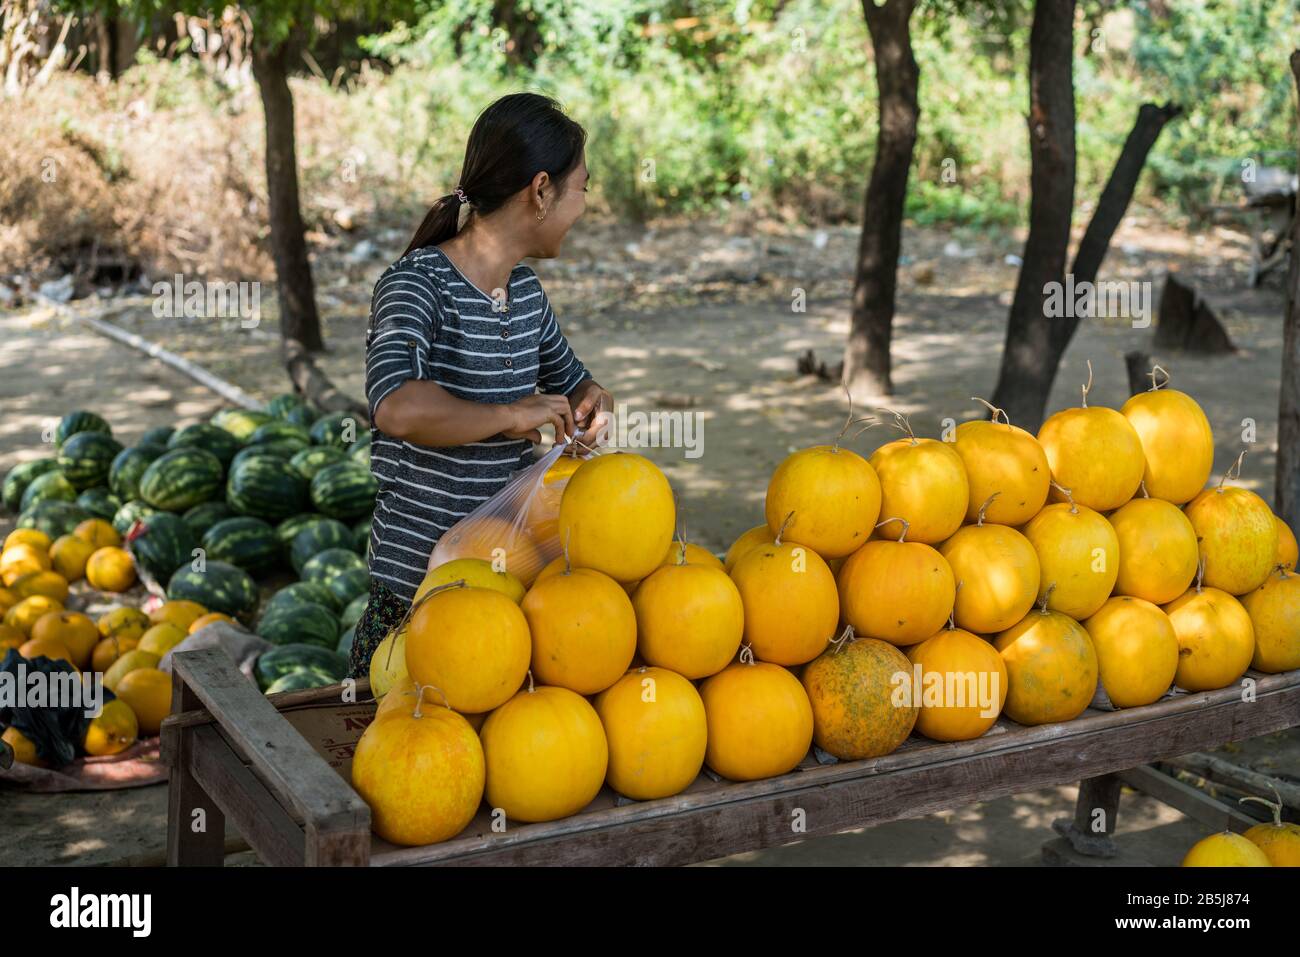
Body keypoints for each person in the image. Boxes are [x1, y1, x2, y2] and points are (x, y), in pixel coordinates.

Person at [350, 92, 612, 677]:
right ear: (541, 191)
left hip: (510, 595)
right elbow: (396, 406)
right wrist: (509, 414)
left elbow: (574, 386)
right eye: (582, 189)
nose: (584, 206)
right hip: (419, 603)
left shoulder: (526, 298)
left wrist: (592, 402)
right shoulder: (416, 286)